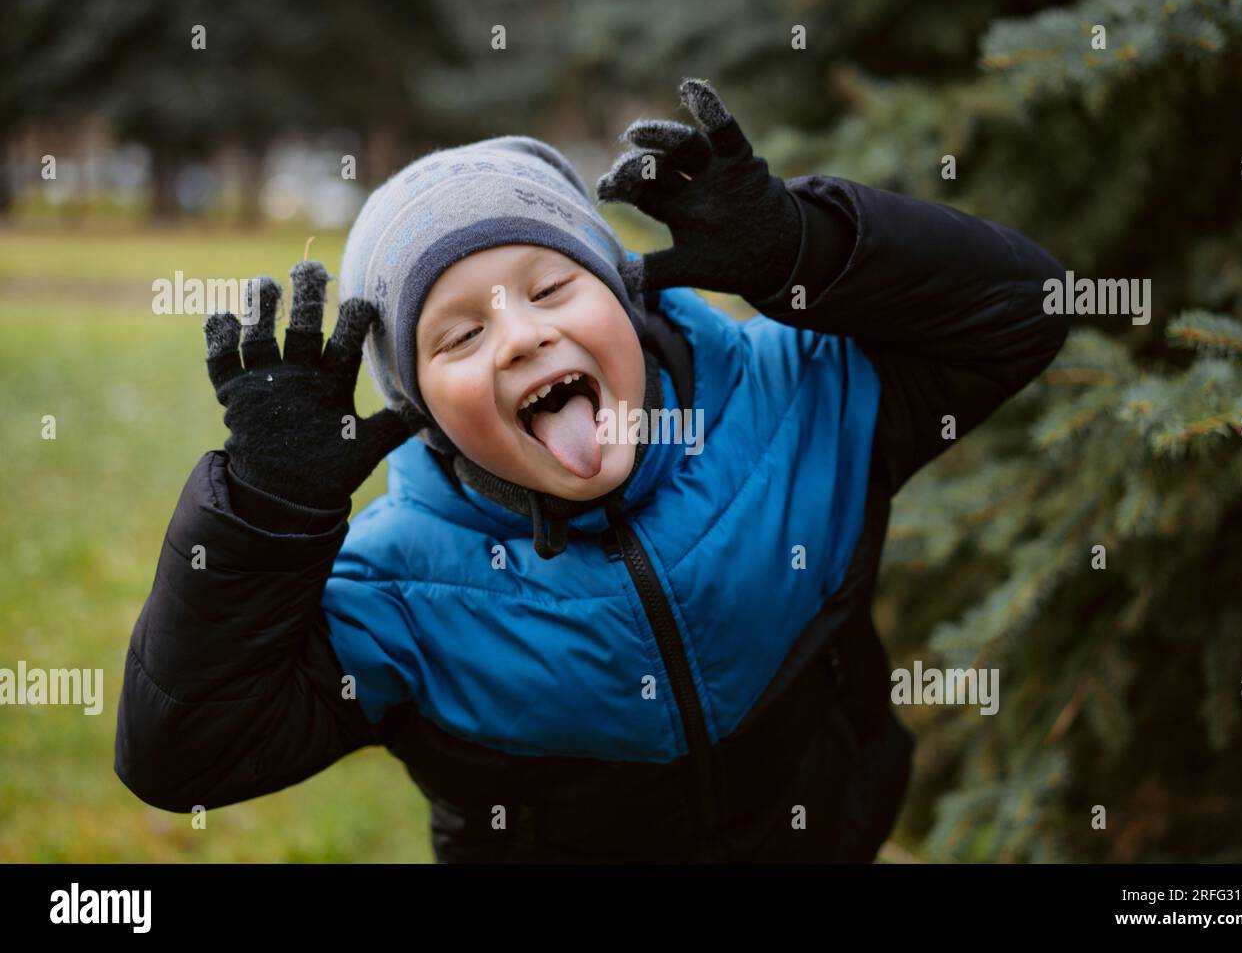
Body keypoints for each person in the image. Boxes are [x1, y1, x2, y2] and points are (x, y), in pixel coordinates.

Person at [114, 78, 1070, 862]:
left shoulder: (797, 405)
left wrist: (802, 252)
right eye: (461, 334)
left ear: (623, 294)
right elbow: (182, 757)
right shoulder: (397, 588)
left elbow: (1026, 306)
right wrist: (268, 511)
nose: (524, 333)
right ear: (425, 414)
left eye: (552, 287)